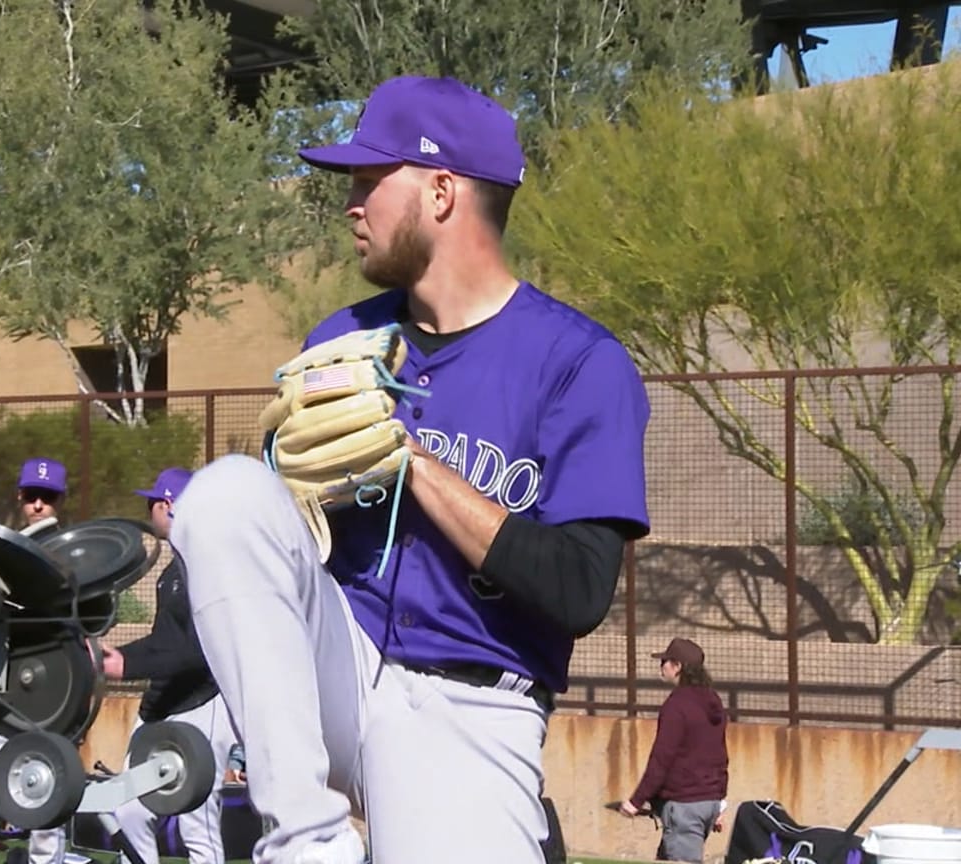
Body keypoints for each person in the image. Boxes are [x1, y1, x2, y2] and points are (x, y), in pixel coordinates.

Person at [168, 75, 651, 864]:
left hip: (470, 705)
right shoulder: (341, 340)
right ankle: (306, 844)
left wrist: (412, 462)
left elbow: (578, 590)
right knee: (224, 495)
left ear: (441, 191)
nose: (350, 205)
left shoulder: (577, 362)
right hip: (339, 665)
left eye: (368, 180)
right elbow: (269, 547)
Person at [100, 467, 238, 864]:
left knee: (198, 824)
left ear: (169, 505)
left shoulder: (209, 564)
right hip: (165, 705)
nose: (150, 511)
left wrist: (128, 663)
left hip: (203, 702)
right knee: (129, 809)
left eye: (153, 503)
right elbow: (165, 644)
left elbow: (198, 650)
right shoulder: (172, 570)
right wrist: (120, 657)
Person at [0, 457, 73, 864]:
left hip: (49, 697)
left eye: (48, 497)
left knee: (46, 806)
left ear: (60, 500)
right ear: (20, 496)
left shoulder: (77, 553)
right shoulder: (2, 552)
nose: (38, 505)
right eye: (32, 496)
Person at [621, 637, 730, 864]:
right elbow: (719, 755)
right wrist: (718, 803)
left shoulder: (676, 705)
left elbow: (662, 759)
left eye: (665, 661)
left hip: (684, 806)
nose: (662, 666)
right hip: (708, 801)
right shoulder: (713, 701)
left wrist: (636, 801)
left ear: (678, 666)